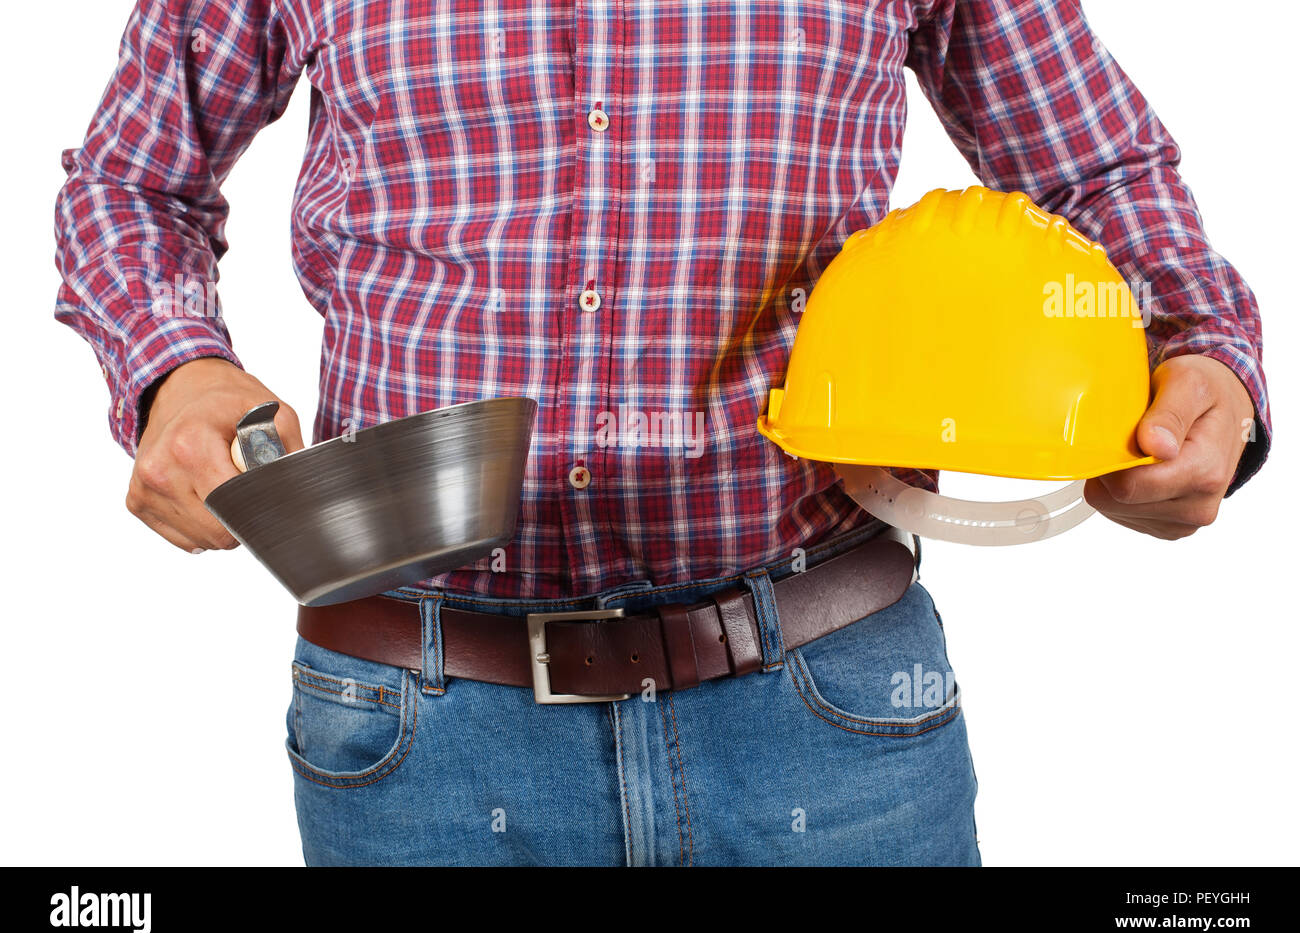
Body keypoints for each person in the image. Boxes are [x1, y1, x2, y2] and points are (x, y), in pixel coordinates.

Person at [54, 0, 1269, 866]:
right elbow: (133, 181)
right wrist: (175, 367)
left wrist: (1200, 352)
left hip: (827, 703)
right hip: (419, 718)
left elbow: (1099, 175)